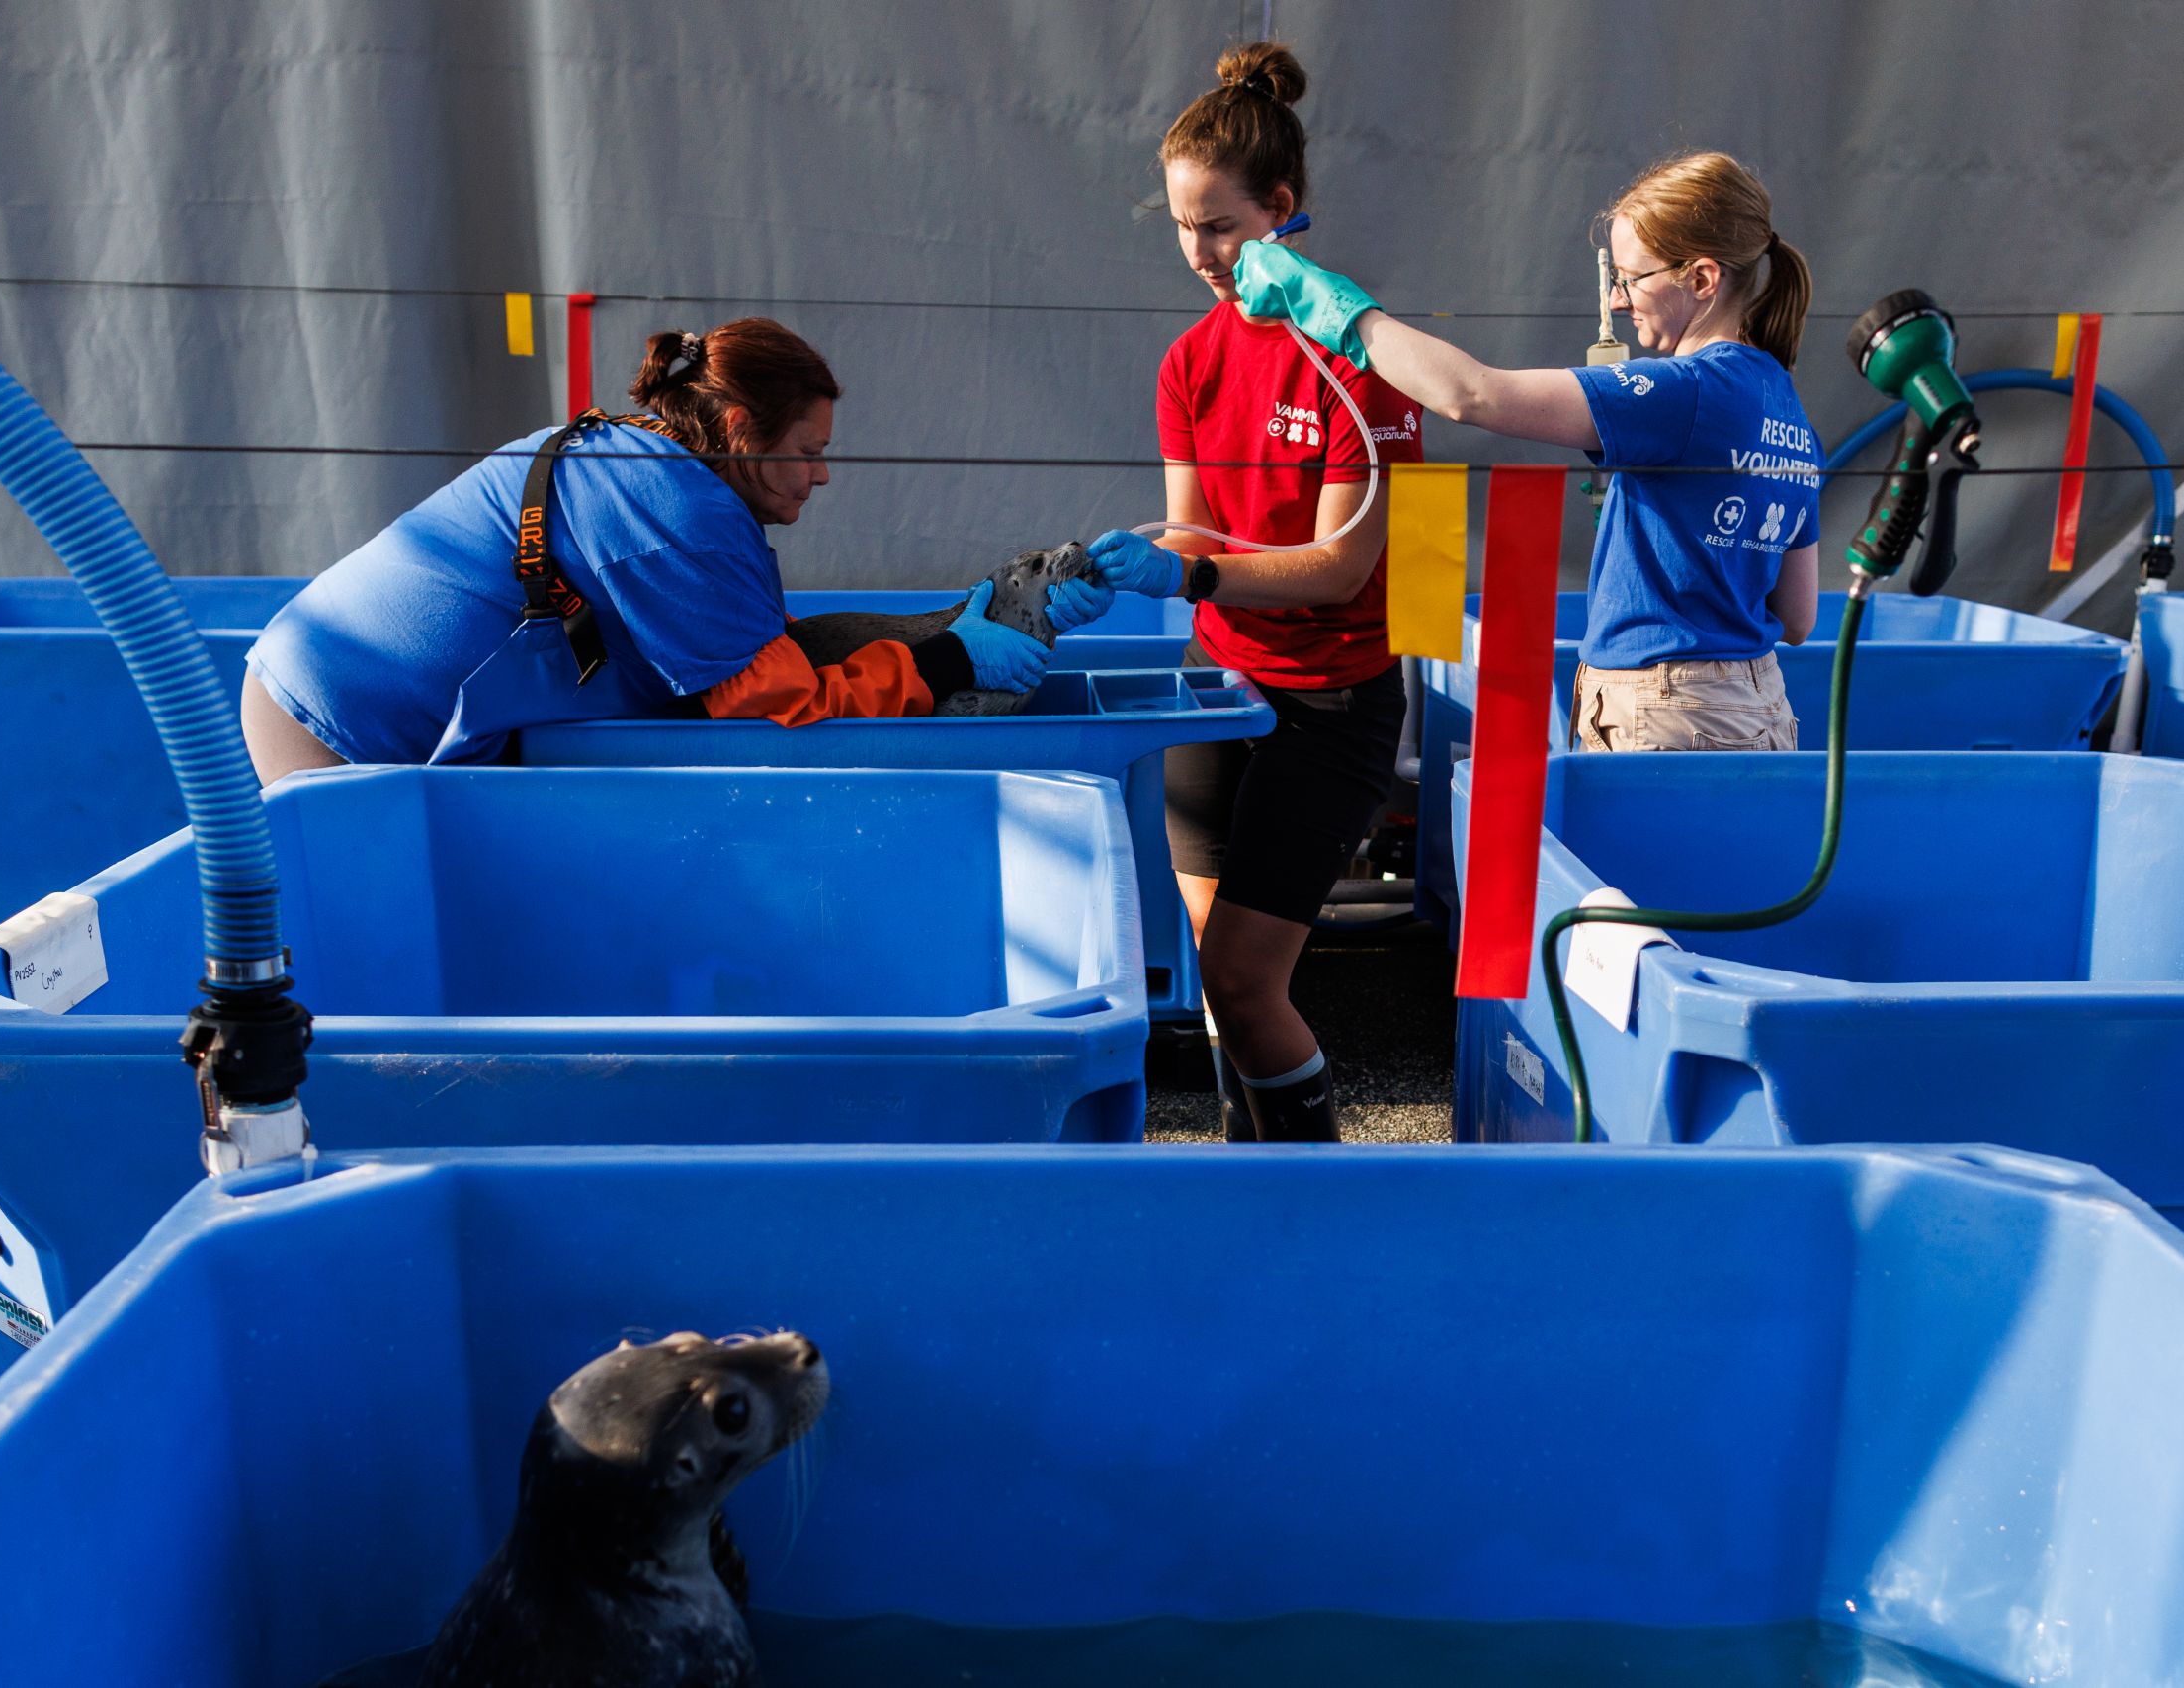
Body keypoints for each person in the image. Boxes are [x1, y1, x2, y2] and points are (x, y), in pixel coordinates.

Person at [242, 317, 1105, 783]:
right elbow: (776, 706)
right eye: (808, 452)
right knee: (381, 974)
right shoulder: (676, 513)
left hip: (320, 676)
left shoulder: (654, 468)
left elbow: (763, 652)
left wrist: (954, 621)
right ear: (739, 430)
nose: (824, 475)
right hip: (340, 723)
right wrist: (951, 663)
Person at [1081, 42, 1426, 1144]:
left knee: (1241, 977)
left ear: (1279, 209)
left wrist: (1183, 569)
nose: (1199, 252)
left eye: (1219, 226)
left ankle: (1317, 1195)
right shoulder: (1188, 362)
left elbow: (1342, 568)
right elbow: (1189, 528)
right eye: (1182, 226)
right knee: (1226, 986)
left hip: (1330, 704)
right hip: (1220, 694)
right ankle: (1251, 1175)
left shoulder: (1361, 358)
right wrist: (1110, 566)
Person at [1231, 149, 1824, 756]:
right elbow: (1798, 617)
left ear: (1701, 279)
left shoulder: (1685, 391)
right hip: (1759, 707)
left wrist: (1330, 305)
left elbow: (1473, 394)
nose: (1618, 300)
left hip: (1670, 712)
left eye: (1631, 277)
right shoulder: (1786, 406)